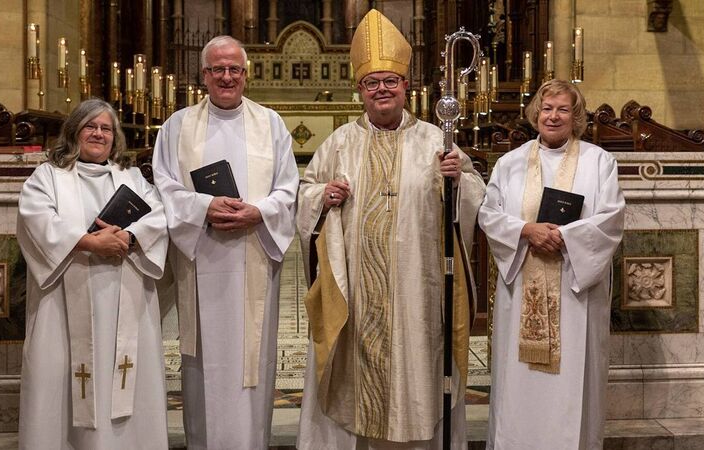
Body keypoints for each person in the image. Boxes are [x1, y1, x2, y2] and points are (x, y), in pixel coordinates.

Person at [296, 9, 486, 449]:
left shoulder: (437, 141)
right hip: (357, 298)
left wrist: (459, 178)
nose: (382, 89)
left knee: (418, 380)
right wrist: (322, 197)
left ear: (406, 87)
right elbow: (303, 196)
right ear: (360, 90)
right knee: (356, 386)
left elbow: (476, 199)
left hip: (418, 296)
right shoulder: (340, 141)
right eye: (372, 83)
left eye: (390, 81)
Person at [151, 35, 298, 449]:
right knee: (204, 367)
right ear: (204, 75)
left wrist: (260, 212)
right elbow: (164, 185)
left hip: (254, 254)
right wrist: (203, 208)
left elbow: (288, 188)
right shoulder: (177, 126)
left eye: (234, 69)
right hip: (202, 260)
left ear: (246, 74)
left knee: (253, 362)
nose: (227, 77)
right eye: (218, 69)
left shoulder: (270, 123)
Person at [477, 79, 625, 449]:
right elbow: (488, 214)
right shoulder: (510, 163)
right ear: (535, 114)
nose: (553, 116)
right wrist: (526, 230)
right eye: (546, 108)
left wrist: (566, 238)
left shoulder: (599, 162)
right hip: (522, 287)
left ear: (575, 117)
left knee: (574, 383)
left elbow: (611, 218)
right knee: (518, 386)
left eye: (562, 109)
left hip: (575, 294)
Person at [16, 98, 169, 449]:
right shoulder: (49, 177)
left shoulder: (131, 179)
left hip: (124, 295)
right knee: (63, 376)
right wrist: (88, 242)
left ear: (115, 138)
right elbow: (35, 219)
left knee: (125, 377)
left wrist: (130, 237)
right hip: (64, 304)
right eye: (91, 126)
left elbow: (158, 217)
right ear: (74, 132)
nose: (98, 134)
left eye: (106, 129)